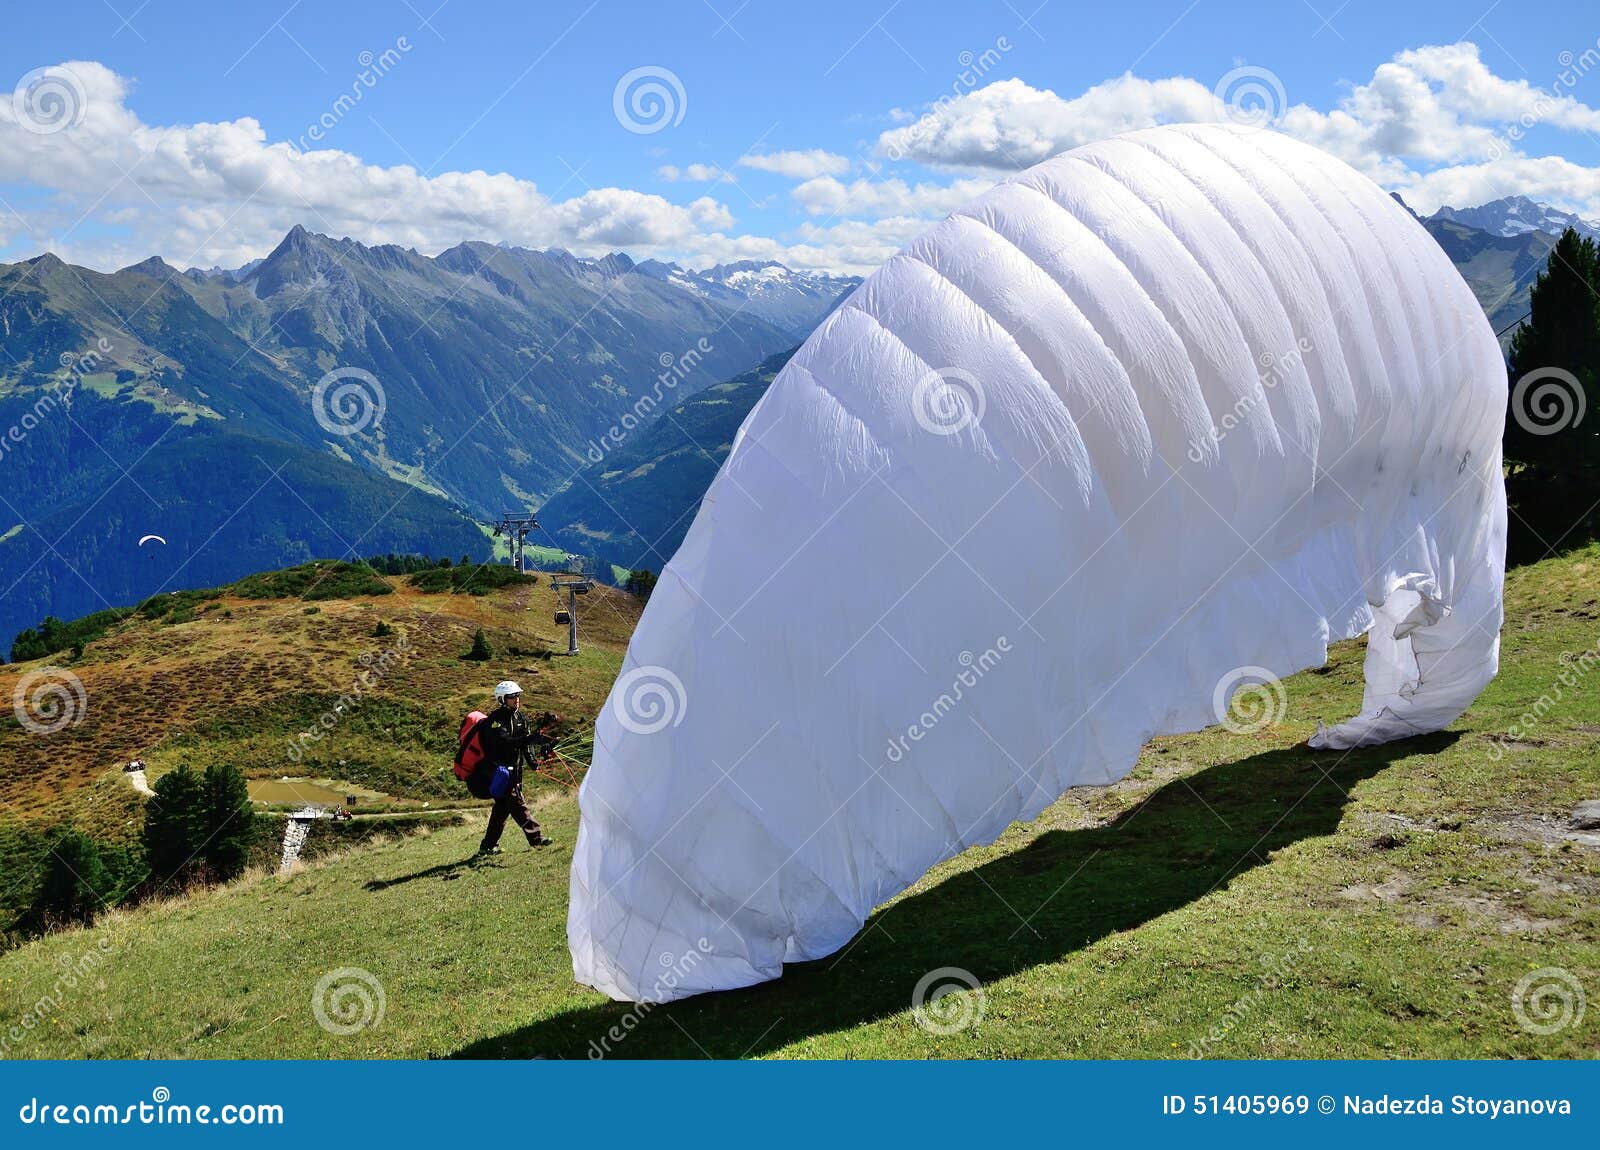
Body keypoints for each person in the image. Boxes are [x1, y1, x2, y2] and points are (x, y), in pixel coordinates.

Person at [478, 680, 554, 854]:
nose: (516, 699)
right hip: (499, 771)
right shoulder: (495, 721)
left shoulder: (520, 718)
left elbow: (526, 745)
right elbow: (508, 742)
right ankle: (537, 839)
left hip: (515, 769)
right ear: (502, 699)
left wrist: (533, 762)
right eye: (512, 696)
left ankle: (487, 846)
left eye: (518, 695)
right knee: (518, 803)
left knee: (502, 808)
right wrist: (530, 738)